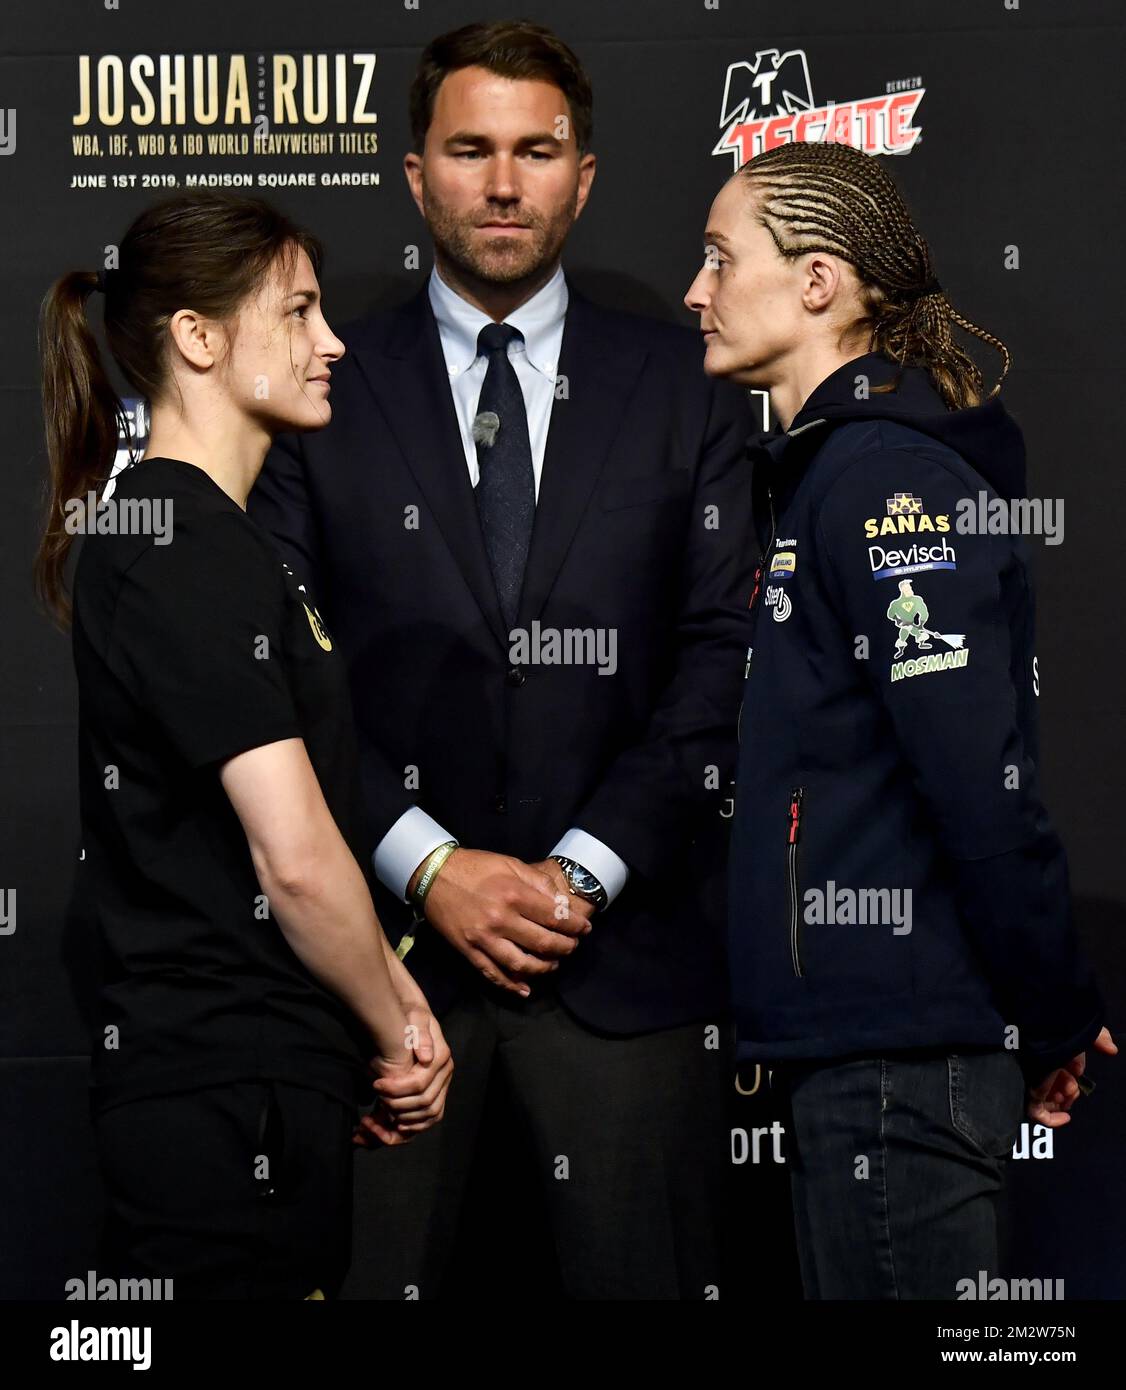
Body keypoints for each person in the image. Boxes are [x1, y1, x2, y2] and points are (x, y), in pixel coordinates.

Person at [248, 20, 757, 1299]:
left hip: (625, 970)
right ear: (414, 174)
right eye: (469, 149)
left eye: (537, 151)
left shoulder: (686, 383)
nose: (503, 181)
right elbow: (282, 674)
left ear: (584, 176)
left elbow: (724, 656)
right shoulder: (318, 391)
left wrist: (574, 876)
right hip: (383, 980)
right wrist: (429, 867)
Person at [684, 140, 1116, 1299]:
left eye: (722, 259)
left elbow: (979, 779)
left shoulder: (883, 482)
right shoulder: (835, 471)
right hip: (874, 1051)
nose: (695, 289)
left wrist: (1051, 1004)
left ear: (817, 281)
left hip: (899, 1058)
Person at [35, 191, 452, 1299]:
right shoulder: (178, 542)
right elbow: (297, 856)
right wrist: (400, 1024)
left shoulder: (217, 541)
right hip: (223, 1104)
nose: (333, 342)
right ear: (198, 338)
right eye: (300, 313)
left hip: (255, 1092)